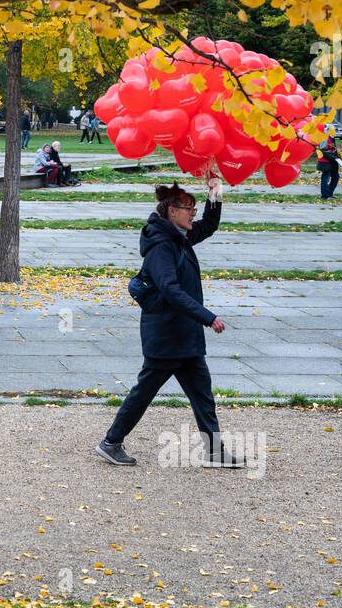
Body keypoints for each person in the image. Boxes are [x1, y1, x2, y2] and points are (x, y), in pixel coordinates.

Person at [96, 180, 242, 468]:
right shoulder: (162, 247)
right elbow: (171, 291)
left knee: (202, 394)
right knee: (144, 393)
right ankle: (111, 442)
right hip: (167, 336)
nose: (193, 214)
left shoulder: (179, 237)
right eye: (189, 209)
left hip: (183, 337)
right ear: (172, 211)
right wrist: (207, 317)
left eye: (194, 208)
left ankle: (214, 452)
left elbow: (209, 225)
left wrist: (215, 194)